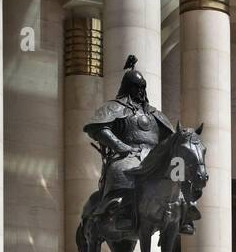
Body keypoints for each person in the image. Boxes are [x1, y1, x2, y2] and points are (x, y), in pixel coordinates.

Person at [83, 55, 197, 234]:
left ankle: (184, 213)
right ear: (128, 87)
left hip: (154, 156)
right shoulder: (116, 107)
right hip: (128, 154)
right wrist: (121, 147)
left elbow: (171, 138)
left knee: (178, 168)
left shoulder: (154, 114)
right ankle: (123, 212)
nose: (140, 91)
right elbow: (98, 129)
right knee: (124, 170)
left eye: (143, 87)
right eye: (136, 87)